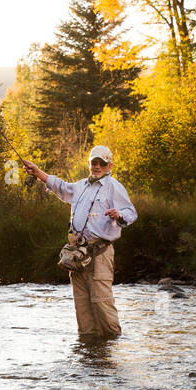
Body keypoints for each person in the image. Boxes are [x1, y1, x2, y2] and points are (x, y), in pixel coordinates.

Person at [24, 145, 136, 341]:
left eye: (102, 163)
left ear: (110, 165)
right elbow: (59, 186)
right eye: (94, 162)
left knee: (101, 302)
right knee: (82, 306)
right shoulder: (80, 186)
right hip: (77, 255)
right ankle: (88, 351)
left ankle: (112, 347)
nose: (98, 166)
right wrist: (37, 172)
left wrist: (118, 215)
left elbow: (131, 213)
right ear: (89, 164)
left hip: (100, 253)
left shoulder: (114, 187)